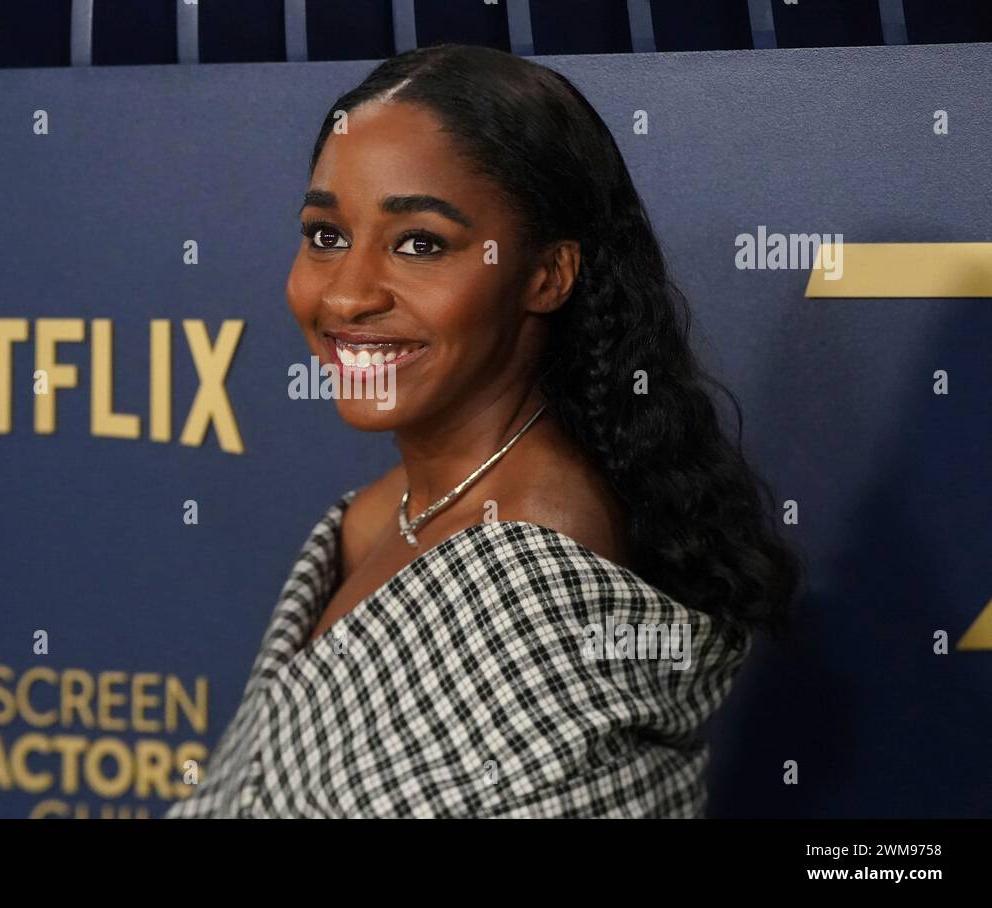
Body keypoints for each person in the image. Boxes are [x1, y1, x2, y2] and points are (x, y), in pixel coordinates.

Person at [166, 43, 800, 818]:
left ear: (547, 274)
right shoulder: (378, 513)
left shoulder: (538, 576)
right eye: (326, 234)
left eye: (421, 244)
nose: (348, 295)